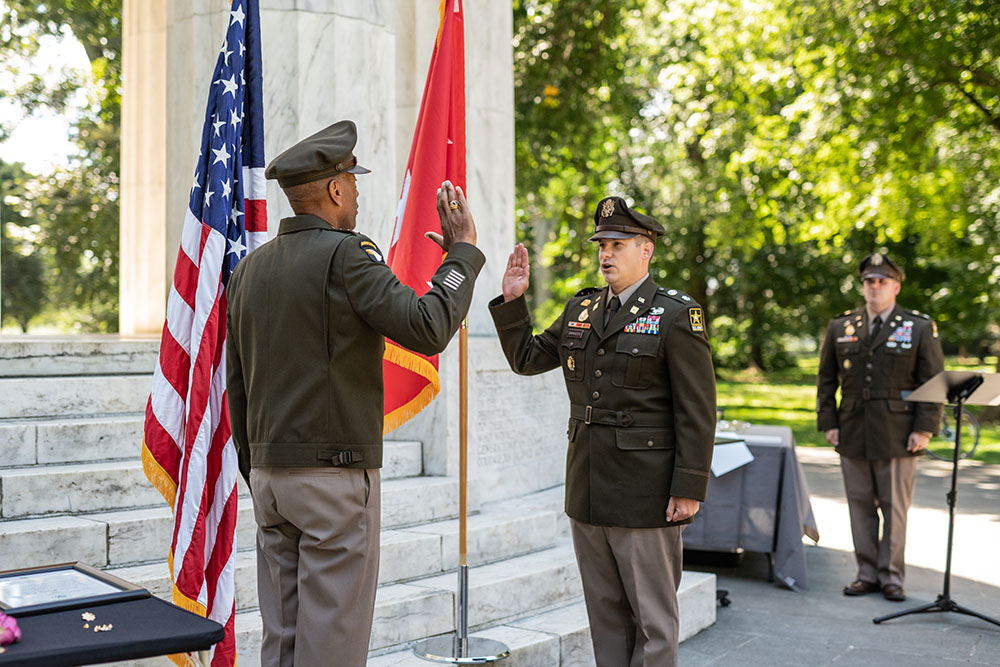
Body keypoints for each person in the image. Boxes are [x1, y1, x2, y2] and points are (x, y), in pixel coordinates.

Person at [226, 119, 484, 667]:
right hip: (333, 478)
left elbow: (237, 382)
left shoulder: (248, 270)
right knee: (333, 646)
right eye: (353, 181)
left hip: (270, 478)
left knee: (283, 640)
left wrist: (257, 466)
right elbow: (427, 327)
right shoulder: (347, 255)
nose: (359, 193)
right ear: (335, 190)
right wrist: (461, 256)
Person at [489, 196, 716, 667]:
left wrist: (689, 487)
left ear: (646, 250)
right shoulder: (583, 307)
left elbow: (697, 409)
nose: (606, 254)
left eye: (617, 245)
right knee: (605, 615)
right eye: (601, 246)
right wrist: (513, 302)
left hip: (646, 491)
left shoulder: (675, 314)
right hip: (589, 487)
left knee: (653, 621)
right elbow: (527, 358)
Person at [816, 252, 944, 602]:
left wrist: (925, 428)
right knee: (859, 504)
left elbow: (932, 382)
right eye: (869, 281)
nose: (875, 287)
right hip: (852, 427)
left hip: (898, 431)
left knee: (894, 507)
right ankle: (866, 573)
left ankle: (891, 576)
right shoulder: (841, 326)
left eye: (882, 281)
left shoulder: (918, 327)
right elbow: (826, 379)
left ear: (896, 286)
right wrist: (829, 422)